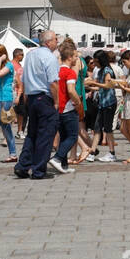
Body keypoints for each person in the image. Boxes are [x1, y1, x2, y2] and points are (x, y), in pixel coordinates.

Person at [14, 31, 61, 180]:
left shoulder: (30, 55)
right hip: (44, 98)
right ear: (48, 43)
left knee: (32, 134)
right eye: (55, 39)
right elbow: (53, 82)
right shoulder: (50, 57)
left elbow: (25, 77)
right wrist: (56, 101)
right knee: (45, 135)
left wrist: (27, 96)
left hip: (33, 98)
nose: (57, 41)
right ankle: (39, 170)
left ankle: (23, 166)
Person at [48, 39, 85, 174]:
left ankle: (63, 165)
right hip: (68, 108)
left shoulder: (56, 71)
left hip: (57, 108)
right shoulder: (70, 73)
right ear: (70, 57)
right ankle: (57, 158)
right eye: (75, 56)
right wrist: (78, 102)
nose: (77, 58)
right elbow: (71, 90)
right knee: (73, 136)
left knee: (63, 135)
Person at [88, 50, 120, 162]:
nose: (94, 63)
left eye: (96, 61)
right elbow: (100, 87)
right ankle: (92, 151)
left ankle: (112, 153)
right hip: (103, 104)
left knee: (107, 128)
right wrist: (90, 87)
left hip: (109, 103)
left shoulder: (107, 70)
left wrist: (94, 84)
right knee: (97, 128)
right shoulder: (101, 70)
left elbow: (107, 85)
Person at [11, 48, 27, 139]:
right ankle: (9, 134)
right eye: (22, 55)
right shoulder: (11, 65)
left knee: (21, 113)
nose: (23, 56)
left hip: (19, 92)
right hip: (13, 92)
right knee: (11, 113)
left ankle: (19, 131)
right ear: (17, 55)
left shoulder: (19, 65)